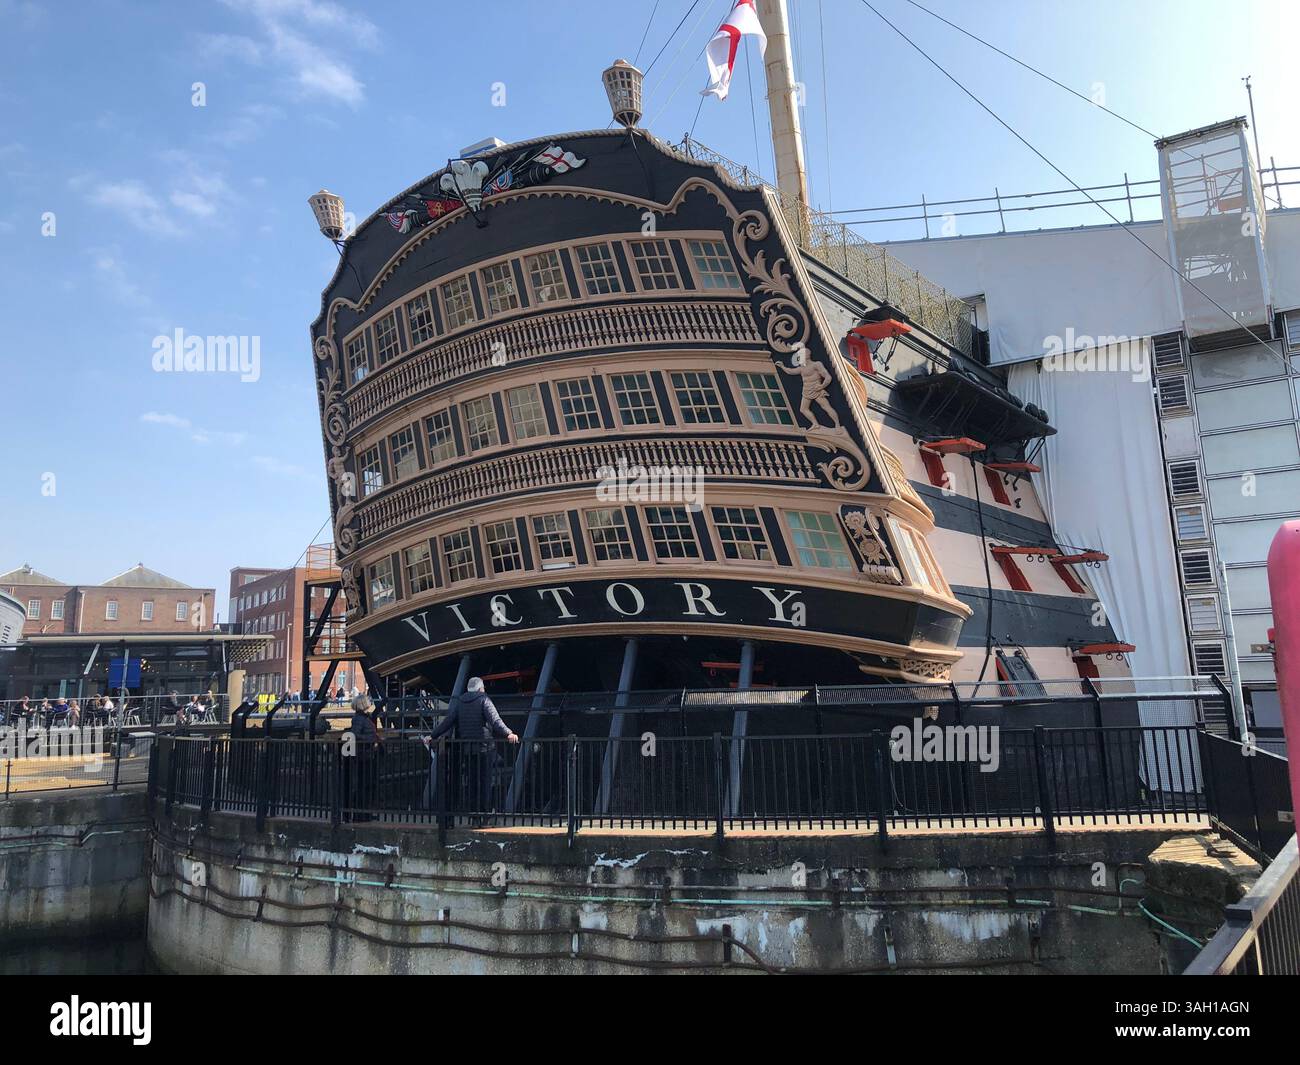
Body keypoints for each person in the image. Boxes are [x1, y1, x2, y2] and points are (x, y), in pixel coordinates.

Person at [424, 678, 518, 816]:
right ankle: (483, 815)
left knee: (472, 782)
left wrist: (433, 735)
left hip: (466, 748)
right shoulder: (484, 700)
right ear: (481, 689)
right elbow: (495, 720)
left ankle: (472, 813)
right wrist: (508, 733)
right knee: (484, 782)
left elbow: (448, 721)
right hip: (485, 747)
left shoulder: (460, 702)